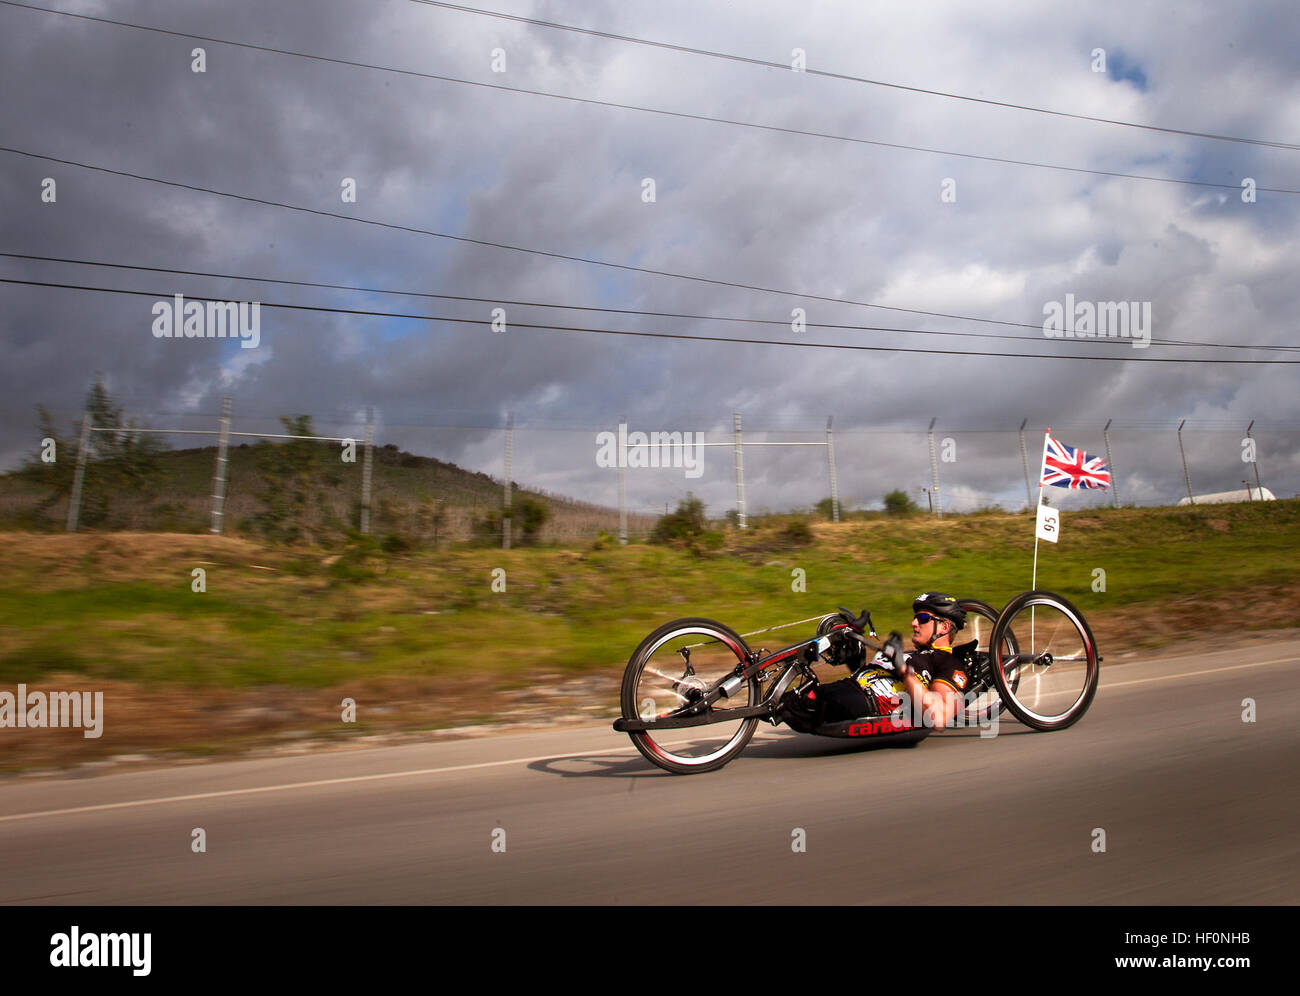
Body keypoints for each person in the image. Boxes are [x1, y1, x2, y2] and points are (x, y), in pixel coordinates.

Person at [787, 592, 974, 731]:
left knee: (797, 707)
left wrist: (904, 670)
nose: (914, 623)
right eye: (915, 617)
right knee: (787, 699)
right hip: (849, 687)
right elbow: (873, 676)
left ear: (944, 627)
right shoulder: (912, 654)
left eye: (923, 618)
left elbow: (938, 717)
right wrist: (852, 653)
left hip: (869, 704)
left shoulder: (950, 663)